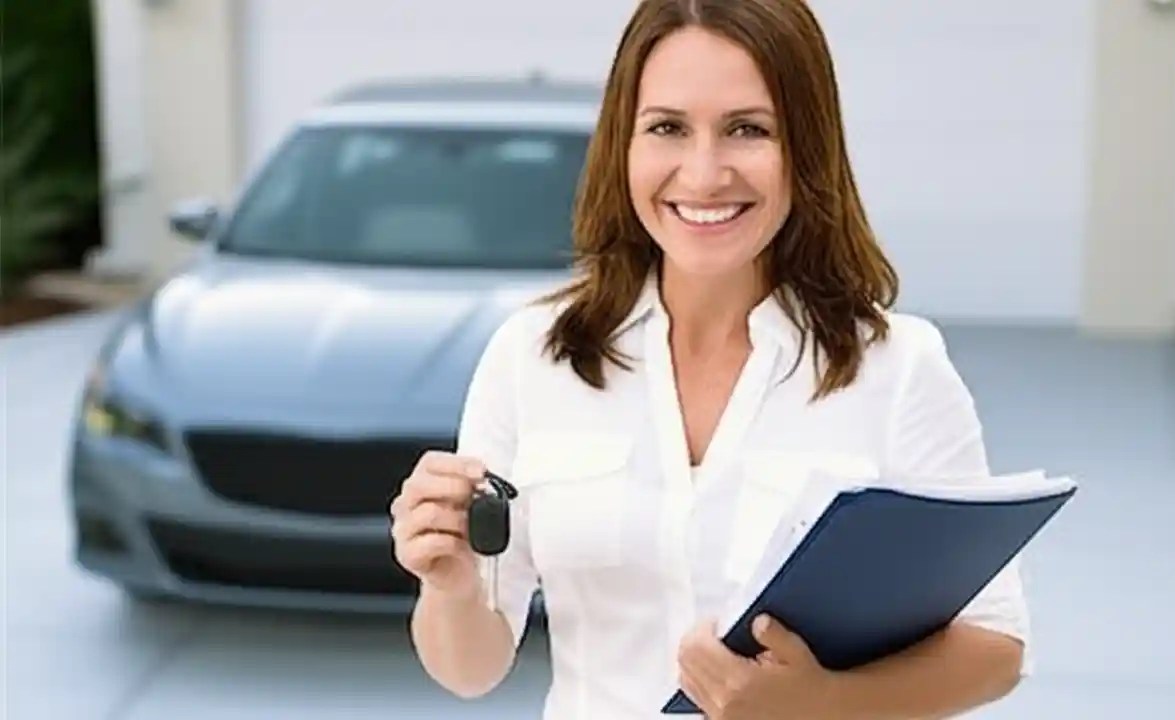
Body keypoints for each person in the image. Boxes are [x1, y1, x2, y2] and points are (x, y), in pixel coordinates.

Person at [388, 0, 1031, 717]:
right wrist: (448, 587)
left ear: (806, 149)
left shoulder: (897, 367)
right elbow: (471, 669)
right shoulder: (532, 356)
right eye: (667, 128)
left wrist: (821, 704)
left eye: (747, 130)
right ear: (622, 145)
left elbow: (995, 645)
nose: (703, 173)